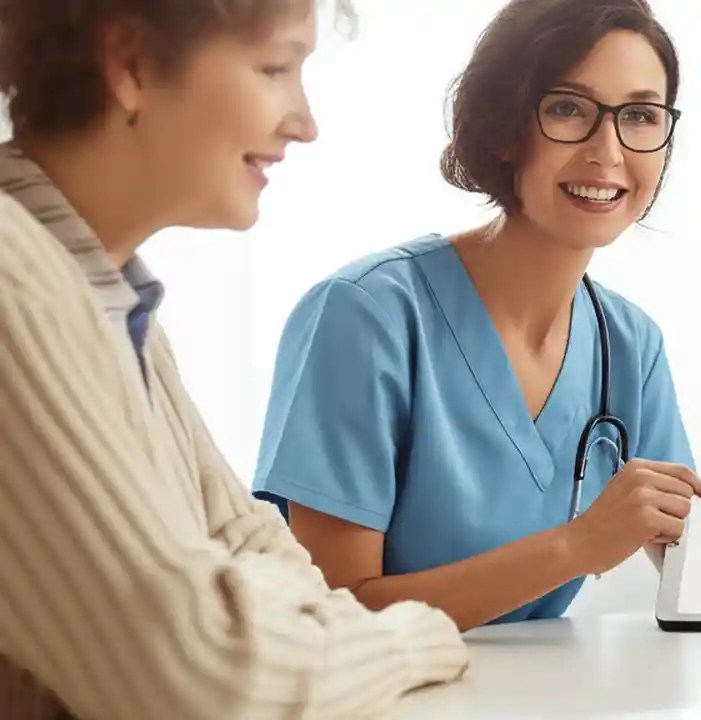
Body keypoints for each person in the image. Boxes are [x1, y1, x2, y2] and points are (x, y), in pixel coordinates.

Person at [252, 0, 701, 632]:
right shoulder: (366, 315)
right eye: (568, 109)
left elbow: (698, 557)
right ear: (503, 127)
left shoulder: (628, 342)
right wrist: (576, 546)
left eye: (641, 116)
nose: (608, 151)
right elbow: (337, 612)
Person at [0, 2, 469, 718]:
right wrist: (410, 638)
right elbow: (204, 671)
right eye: (274, 69)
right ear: (131, 64)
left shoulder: (108, 298)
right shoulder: (15, 281)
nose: (304, 124)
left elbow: (246, 545)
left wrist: (238, 604)